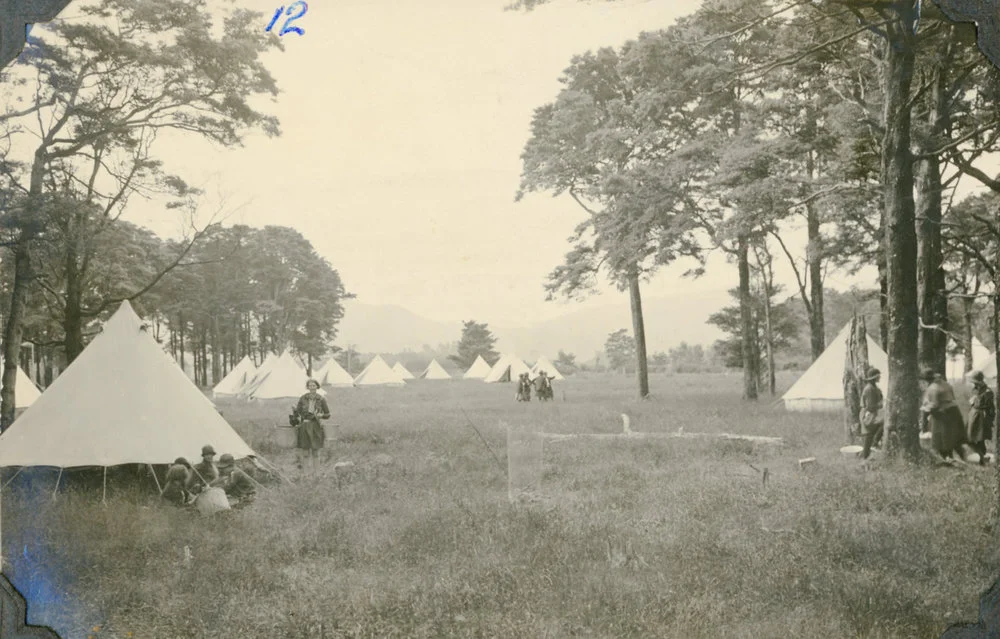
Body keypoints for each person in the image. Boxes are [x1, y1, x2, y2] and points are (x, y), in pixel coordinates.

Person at [921, 368, 969, 462]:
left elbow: (933, 405)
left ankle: (948, 459)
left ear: (926, 380)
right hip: (954, 411)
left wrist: (924, 417)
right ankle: (957, 457)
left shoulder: (933, 388)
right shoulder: (945, 383)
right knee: (954, 437)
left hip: (944, 414)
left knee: (941, 439)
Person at [293, 379, 330, 472]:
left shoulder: (321, 399)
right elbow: (297, 413)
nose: (312, 387)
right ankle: (306, 474)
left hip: (316, 427)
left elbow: (328, 414)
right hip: (304, 426)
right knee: (305, 452)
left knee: (315, 451)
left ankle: (317, 474)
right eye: (310, 385)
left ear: (317, 387)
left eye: (314, 385)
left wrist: (321, 415)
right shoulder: (303, 398)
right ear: (307, 387)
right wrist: (295, 411)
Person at [967, 370, 995, 465]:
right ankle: (982, 456)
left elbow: (991, 408)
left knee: (980, 439)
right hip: (973, 414)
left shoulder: (988, 392)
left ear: (980, 381)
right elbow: (972, 401)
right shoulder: (974, 390)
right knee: (968, 438)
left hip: (981, 416)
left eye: (975, 382)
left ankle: (982, 459)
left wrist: (990, 420)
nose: (974, 384)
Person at [859, 366, 884, 460]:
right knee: (869, 435)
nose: (880, 377)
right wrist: (880, 405)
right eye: (878, 376)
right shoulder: (869, 389)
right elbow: (870, 406)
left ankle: (865, 456)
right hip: (868, 414)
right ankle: (875, 443)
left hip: (871, 413)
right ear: (874, 378)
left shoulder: (874, 387)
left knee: (868, 436)